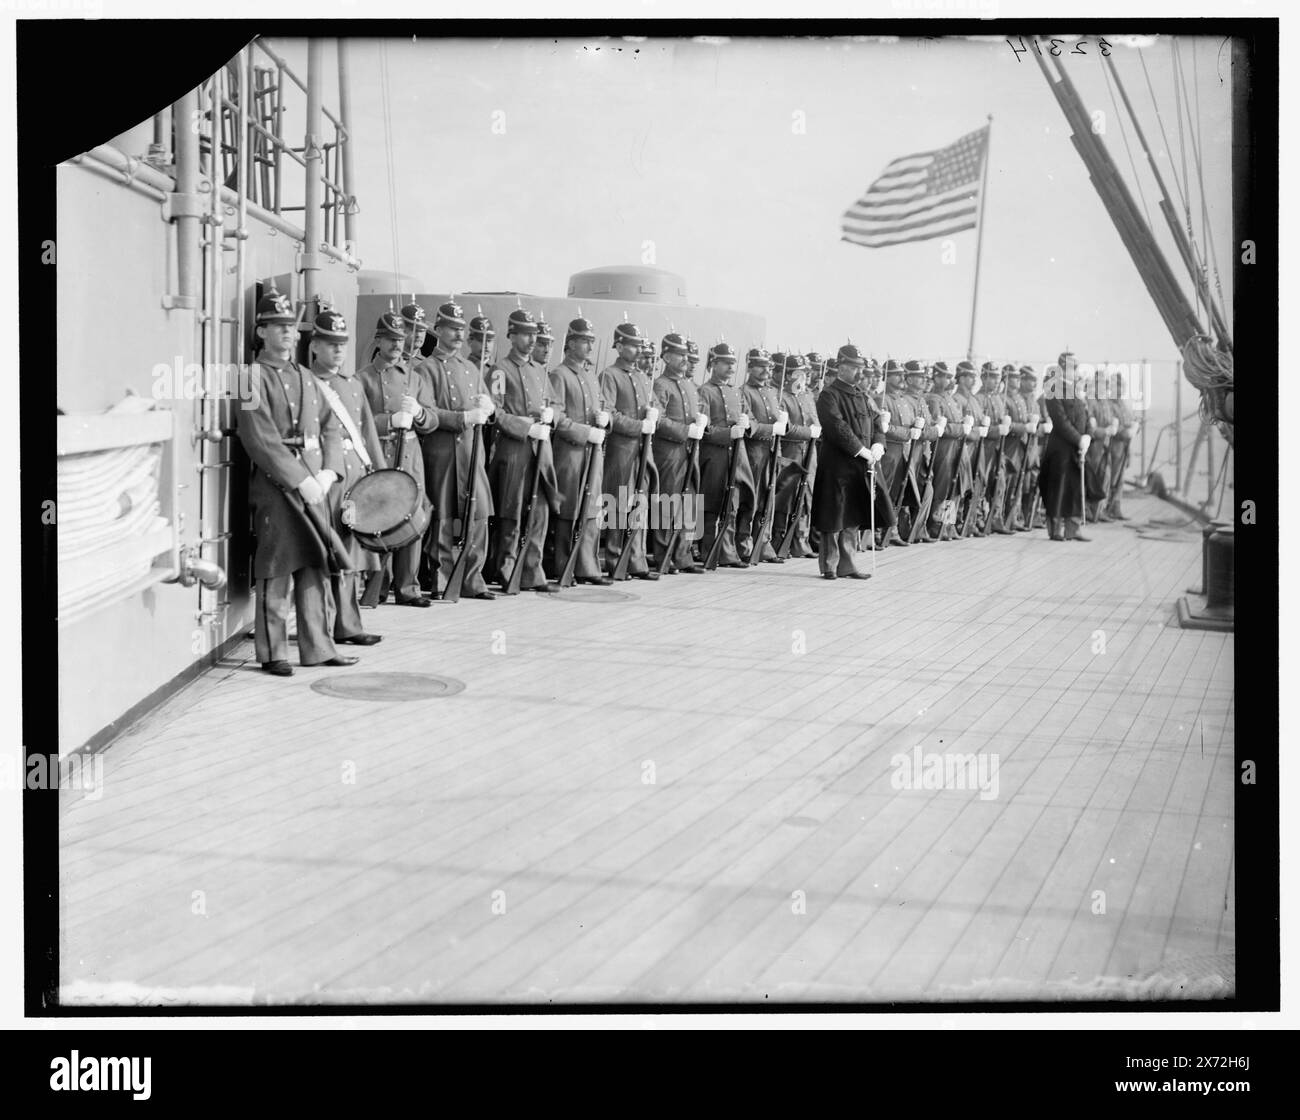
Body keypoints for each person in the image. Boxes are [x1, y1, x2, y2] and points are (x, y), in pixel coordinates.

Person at [237, 288, 358, 675]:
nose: (287, 333)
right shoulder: (250, 378)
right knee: (276, 566)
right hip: (276, 490)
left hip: (314, 484)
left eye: (290, 326)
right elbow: (259, 438)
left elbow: (330, 428)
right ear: (261, 332)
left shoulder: (306, 377)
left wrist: (327, 472)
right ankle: (273, 652)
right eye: (277, 327)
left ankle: (319, 648)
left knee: (315, 565)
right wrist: (298, 479)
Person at [309, 308, 386, 645]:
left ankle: (349, 626)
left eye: (342, 343)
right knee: (327, 553)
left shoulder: (352, 385)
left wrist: (379, 476)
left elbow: (366, 432)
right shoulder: (305, 383)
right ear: (314, 345)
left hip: (354, 476)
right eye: (329, 343)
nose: (337, 350)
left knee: (351, 552)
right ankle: (322, 629)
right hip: (324, 477)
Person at [416, 301, 498, 599]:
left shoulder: (470, 368)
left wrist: (487, 408)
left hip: (470, 452)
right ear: (437, 330)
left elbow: (488, 402)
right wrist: (462, 418)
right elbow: (425, 411)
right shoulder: (426, 368)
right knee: (443, 515)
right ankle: (443, 580)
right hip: (442, 451)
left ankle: (473, 581)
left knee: (478, 513)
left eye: (462, 330)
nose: (458, 335)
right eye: (452, 328)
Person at [359, 309, 438, 607]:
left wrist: (418, 413)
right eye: (390, 339)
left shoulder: (414, 378)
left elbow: (432, 421)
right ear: (378, 341)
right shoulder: (363, 378)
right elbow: (357, 422)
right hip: (381, 453)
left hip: (410, 455)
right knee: (381, 519)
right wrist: (388, 421)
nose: (396, 345)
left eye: (400, 339)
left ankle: (409, 587)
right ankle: (378, 586)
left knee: (413, 517)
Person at [487, 309, 560, 593]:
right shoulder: (499, 371)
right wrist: (525, 427)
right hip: (514, 451)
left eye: (534, 335)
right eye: (525, 335)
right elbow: (496, 411)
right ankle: (507, 570)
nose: (531, 340)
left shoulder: (540, 371)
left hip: (541, 452)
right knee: (512, 512)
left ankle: (533, 571)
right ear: (512, 336)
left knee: (539, 512)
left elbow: (556, 404)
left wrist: (550, 414)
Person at [812, 345, 889, 579]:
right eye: (854, 368)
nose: (859, 373)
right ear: (841, 367)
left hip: (860, 464)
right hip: (837, 464)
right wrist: (860, 450)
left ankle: (848, 564)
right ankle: (829, 565)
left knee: (852, 515)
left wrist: (878, 443)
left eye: (860, 368)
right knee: (832, 516)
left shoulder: (863, 396)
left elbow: (877, 423)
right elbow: (837, 427)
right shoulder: (829, 395)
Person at [549, 318, 612, 585]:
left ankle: (587, 567)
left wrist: (604, 420)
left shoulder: (589, 376)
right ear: (570, 343)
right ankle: (562, 566)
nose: (589, 346)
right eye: (584, 341)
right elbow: (558, 419)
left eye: (591, 341)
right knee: (568, 510)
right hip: (570, 453)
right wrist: (587, 432)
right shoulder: (560, 375)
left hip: (592, 453)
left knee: (591, 510)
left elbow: (600, 408)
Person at [600, 322, 660, 580]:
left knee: (639, 506)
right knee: (618, 505)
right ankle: (616, 561)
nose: (637, 351)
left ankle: (636, 560)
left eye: (639, 346)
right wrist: (640, 426)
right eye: (632, 346)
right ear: (620, 346)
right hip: (621, 451)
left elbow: (655, 407)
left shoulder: (643, 378)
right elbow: (609, 414)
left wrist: (654, 416)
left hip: (642, 452)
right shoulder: (610, 375)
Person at [650, 332, 707, 573]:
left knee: (689, 504)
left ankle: (683, 557)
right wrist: (686, 430)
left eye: (686, 354)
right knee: (667, 504)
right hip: (670, 452)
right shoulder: (661, 384)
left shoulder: (690, 386)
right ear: (666, 356)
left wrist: (702, 423)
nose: (685, 359)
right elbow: (659, 420)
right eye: (679, 354)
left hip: (689, 453)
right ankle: (664, 557)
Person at [697, 342, 755, 568]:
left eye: (733, 363)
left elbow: (750, 419)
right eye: (726, 363)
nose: (731, 368)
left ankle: (728, 552)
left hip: (736, 456)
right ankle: (708, 551)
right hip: (715, 456)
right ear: (713, 364)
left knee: (732, 504)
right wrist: (728, 433)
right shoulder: (705, 391)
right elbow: (705, 430)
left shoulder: (736, 392)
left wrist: (748, 423)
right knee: (711, 505)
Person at [740, 347, 788, 562]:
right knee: (751, 499)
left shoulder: (771, 393)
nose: (765, 371)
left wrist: (781, 426)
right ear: (750, 367)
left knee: (768, 499)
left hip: (772, 452)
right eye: (760, 366)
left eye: (768, 367)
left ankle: (763, 542)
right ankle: (744, 544)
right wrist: (771, 430)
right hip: (754, 453)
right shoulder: (744, 392)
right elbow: (749, 423)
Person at [1038, 353, 1092, 541]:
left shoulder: (1077, 390)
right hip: (1060, 447)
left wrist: (1088, 436)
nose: (1074, 370)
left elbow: (1086, 415)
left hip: (1077, 448)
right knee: (1058, 488)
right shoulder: (1054, 389)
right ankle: (1056, 529)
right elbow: (1060, 421)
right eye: (1070, 367)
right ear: (1061, 368)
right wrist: (1079, 439)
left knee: (1076, 488)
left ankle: (1073, 528)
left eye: (1075, 367)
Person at [774, 353, 821, 557]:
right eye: (800, 373)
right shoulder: (780, 396)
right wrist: (808, 432)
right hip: (789, 451)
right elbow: (785, 428)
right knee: (786, 497)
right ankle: (779, 541)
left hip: (809, 452)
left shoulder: (807, 396)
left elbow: (816, 422)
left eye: (806, 373)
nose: (805, 377)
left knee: (806, 495)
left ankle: (801, 541)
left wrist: (815, 430)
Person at [900, 359, 944, 543]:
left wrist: (936, 428)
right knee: (908, 493)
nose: (924, 380)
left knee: (934, 492)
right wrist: (936, 430)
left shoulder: (923, 401)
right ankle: (905, 529)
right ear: (909, 379)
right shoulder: (907, 400)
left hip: (925, 453)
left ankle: (939, 527)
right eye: (918, 377)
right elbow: (919, 430)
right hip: (913, 453)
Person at [924, 361, 968, 541]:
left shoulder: (949, 398)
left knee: (953, 485)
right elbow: (938, 425)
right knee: (942, 486)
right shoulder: (933, 399)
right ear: (935, 377)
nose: (948, 380)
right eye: (943, 376)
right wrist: (961, 428)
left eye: (949, 376)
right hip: (942, 448)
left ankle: (947, 523)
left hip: (955, 447)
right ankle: (935, 524)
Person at [976, 362, 1014, 534]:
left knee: (1000, 483)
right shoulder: (978, 399)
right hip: (983, 448)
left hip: (998, 447)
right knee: (980, 484)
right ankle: (975, 519)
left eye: (997, 378)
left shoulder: (999, 399)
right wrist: (996, 429)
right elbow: (978, 428)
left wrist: (1006, 425)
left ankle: (996, 518)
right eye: (991, 377)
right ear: (983, 377)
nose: (995, 381)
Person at [1107, 372, 1137, 519]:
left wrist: (1134, 427)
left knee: (1121, 478)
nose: (1121, 389)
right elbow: (1110, 424)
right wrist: (1124, 431)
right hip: (1114, 445)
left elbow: (1129, 421)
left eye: (1122, 386)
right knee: (1111, 477)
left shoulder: (1123, 404)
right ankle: (1106, 507)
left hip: (1125, 446)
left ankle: (1116, 507)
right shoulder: (1109, 404)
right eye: (1118, 386)